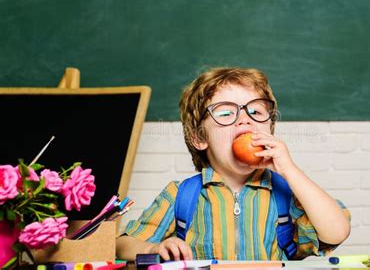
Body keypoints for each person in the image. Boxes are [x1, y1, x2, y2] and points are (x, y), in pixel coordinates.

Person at [116, 68, 350, 261]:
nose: (245, 119)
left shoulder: (286, 193)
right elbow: (121, 244)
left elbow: (337, 232)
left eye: (256, 111)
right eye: (226, 113)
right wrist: (153, 249)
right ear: (199, 137)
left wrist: (289, 170)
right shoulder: (180, 195)